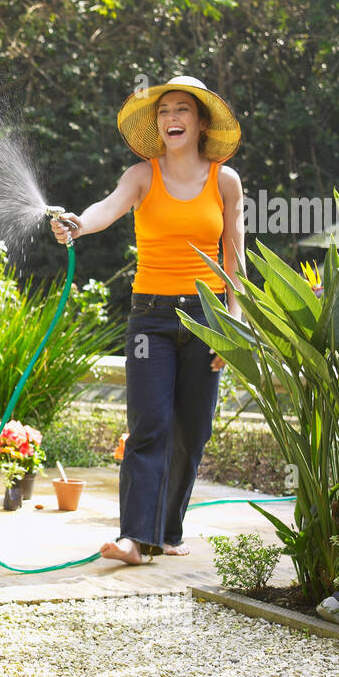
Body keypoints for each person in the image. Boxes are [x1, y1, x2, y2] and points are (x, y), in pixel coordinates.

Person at [50, 75, 245, 564]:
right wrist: (78, 222)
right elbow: (107, 209)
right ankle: (135, 538)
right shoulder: (142, 175)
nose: (171, 118)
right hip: (151, 318)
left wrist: (234, 324)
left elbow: (234, 255)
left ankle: (167, 533)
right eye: (163, 111)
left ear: (200, 122)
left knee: (193, 428)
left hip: (208, 314)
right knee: (149, 424)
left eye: (182, 110)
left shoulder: (225, 180)